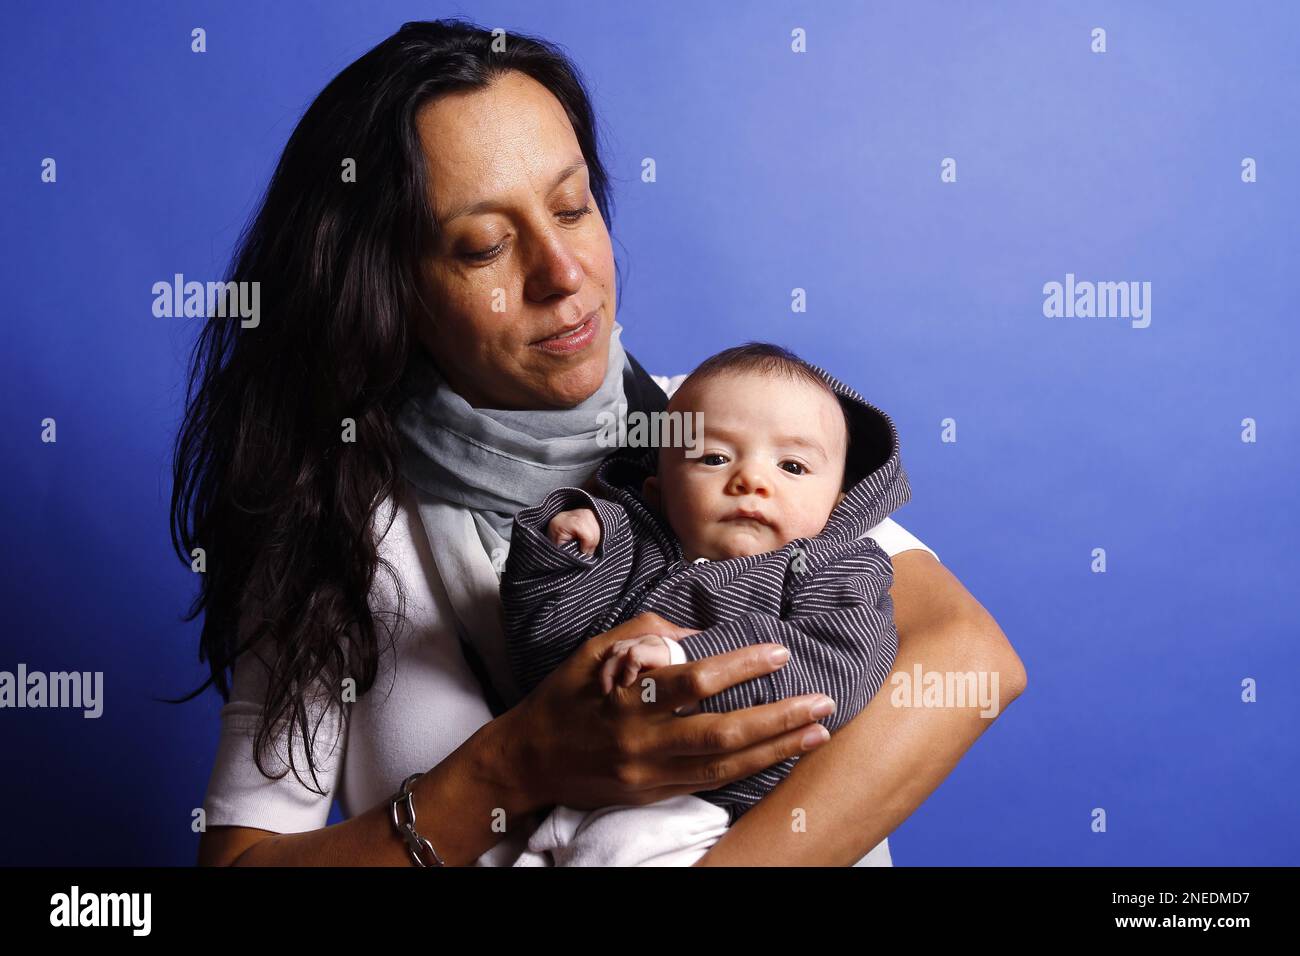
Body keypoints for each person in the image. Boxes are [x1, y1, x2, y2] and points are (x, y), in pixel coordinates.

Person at [175, 19, 1026, 868]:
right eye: (485, 247)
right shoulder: (336, 522)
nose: (562, 271)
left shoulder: (724, 426)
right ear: (389, 290)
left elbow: (971, 660)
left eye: (572, 206)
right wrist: (517, 764)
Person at [493, 342, 910, 865]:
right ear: (659, 488)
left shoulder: (840, 569)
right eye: (714, 457)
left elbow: (837, 668)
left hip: (713, 810)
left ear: (837, 502)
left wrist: (685, 665)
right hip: (571, 800)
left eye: (793, 466)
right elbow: (540, 656)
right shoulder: (625, 546)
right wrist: (562, 555)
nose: (752, 481)